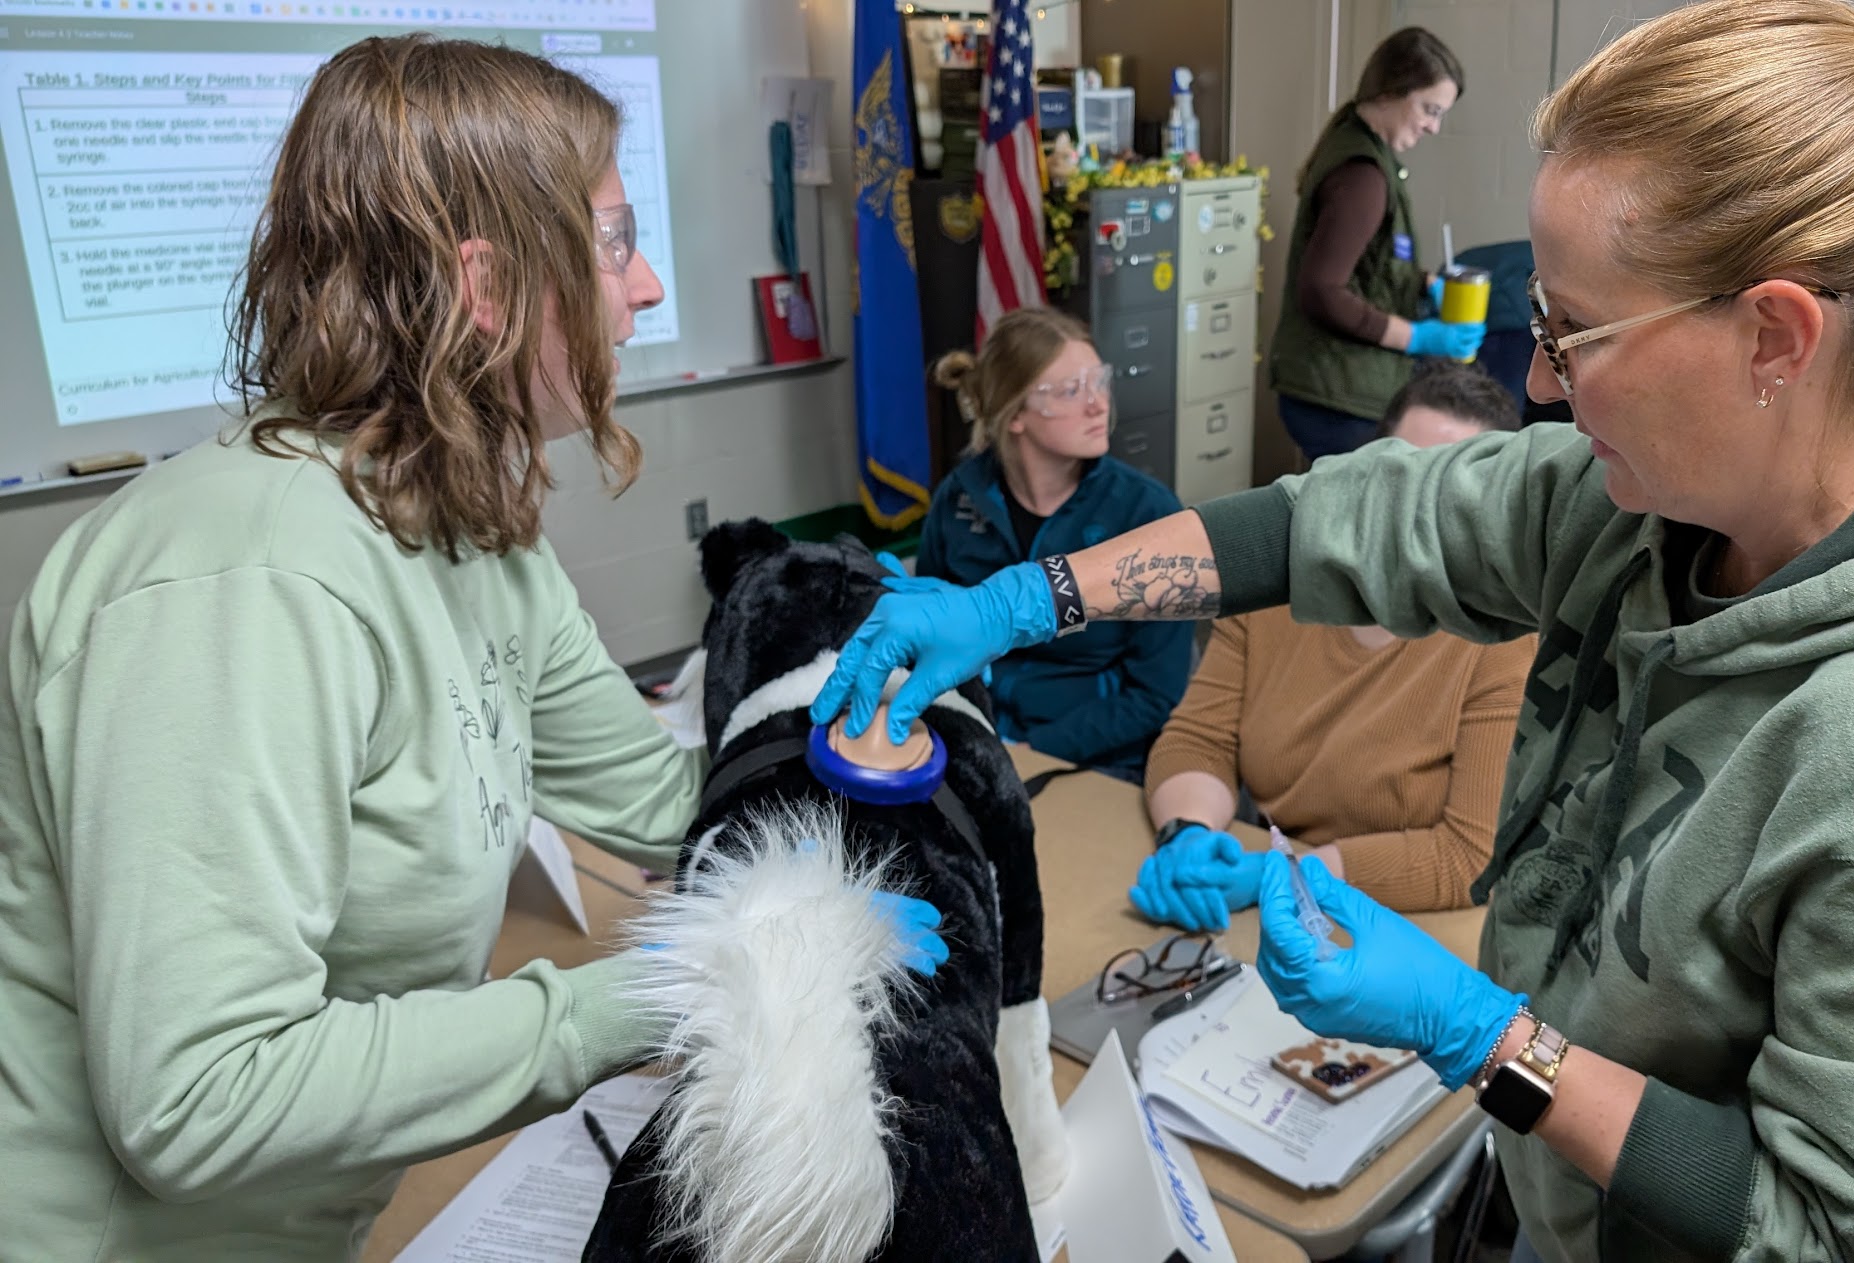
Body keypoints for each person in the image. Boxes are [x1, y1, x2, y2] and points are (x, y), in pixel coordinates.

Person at [809, 3, 1854, 1258]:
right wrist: (1023, 596)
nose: (1538, 378)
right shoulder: (1670, 505)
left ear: (1777, 338)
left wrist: (1489, 1035)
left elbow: (1836, 1227)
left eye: (1575, 328)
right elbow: (1336, 525)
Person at [0, 38, 944, 1260]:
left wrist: (864, 776)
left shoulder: (465, 531)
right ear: (484, 287)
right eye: (613, 242)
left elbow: (665, 801)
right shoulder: (241, 585)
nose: (647, 285)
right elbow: (197, 1097)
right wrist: (679, 987)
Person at [1131, 366, 1536, 929]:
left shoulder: (1505, 639)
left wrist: (1288, 874)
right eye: (1405, 474)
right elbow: (1201, 738)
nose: (1419, 510)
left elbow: (1466, 855)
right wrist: (1187, 835)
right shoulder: (1283, 588)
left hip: (1405, 925)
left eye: (1453, 493)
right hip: (1273, 908)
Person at [918, 307, 1192, 779]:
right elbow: (931, 639)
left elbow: (1156, 694)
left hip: (1098, 759)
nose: (1097, 404)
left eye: (1099, 381)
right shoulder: (959, 499)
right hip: (977, 739)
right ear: (1016, 413)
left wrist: (1033, 751)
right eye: (1070, 390)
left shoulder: (1148, 515)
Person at [1267, 27, 1486, 462]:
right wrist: (1418, 337)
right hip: (1337, 395)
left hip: (1332, 387)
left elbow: (1369, 262)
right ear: (1391, 92)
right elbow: (1322, 292)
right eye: (1428, 109)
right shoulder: (1363, 175)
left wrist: (1425, 284)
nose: (1434, 126)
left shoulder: (1361, 147)